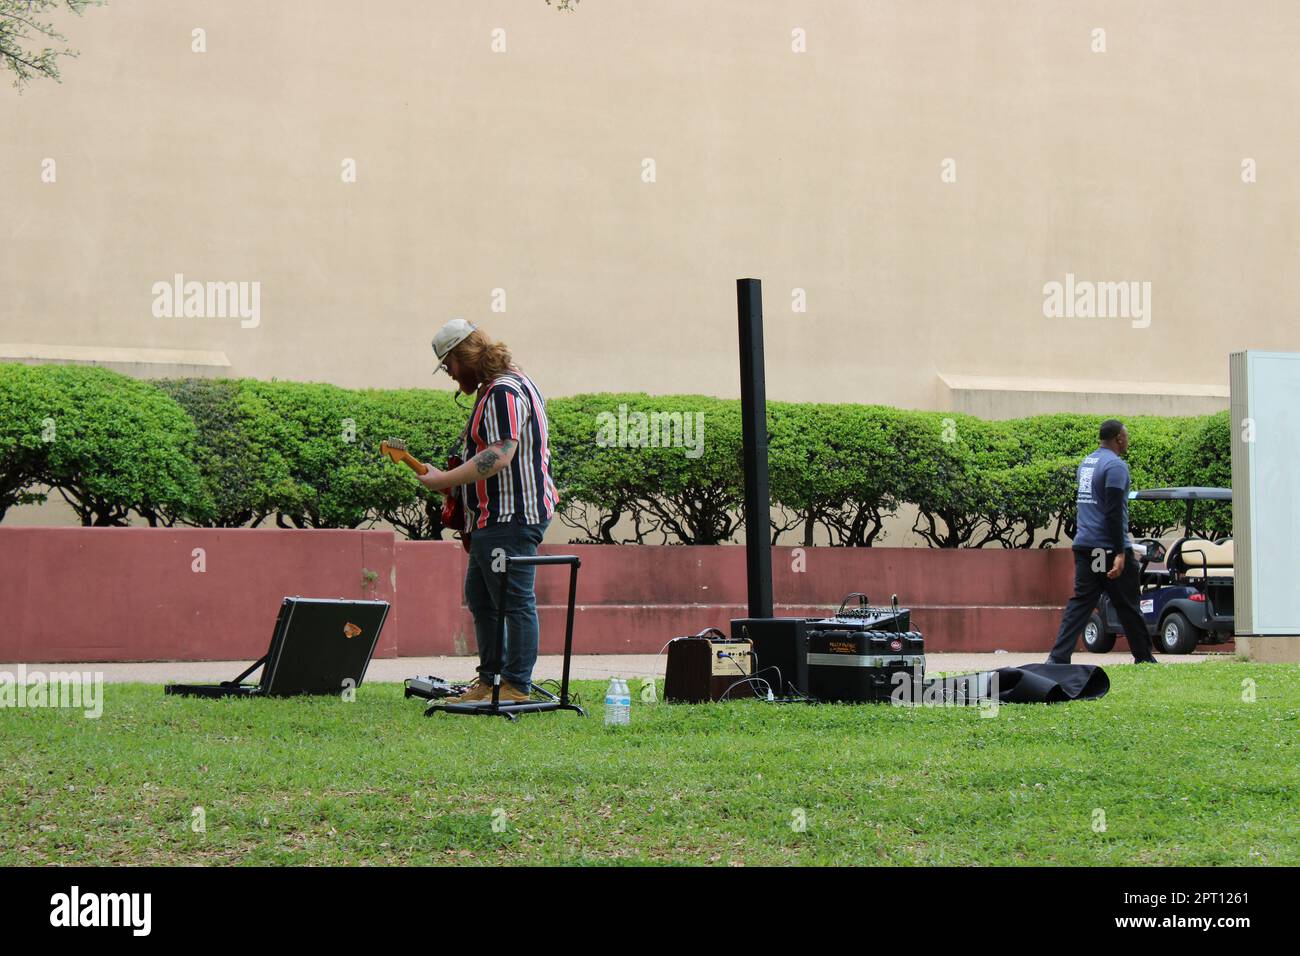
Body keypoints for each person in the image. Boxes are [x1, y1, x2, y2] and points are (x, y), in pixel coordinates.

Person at [415, 319, 560, 703]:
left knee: (513, 601)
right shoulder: (508, 384)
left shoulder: (502, 391)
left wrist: (445, 477)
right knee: (482, 598)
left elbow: (499, 453)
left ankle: (515, 685)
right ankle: (491, 680)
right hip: (493, 517)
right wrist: (450, 481)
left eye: (448, 365)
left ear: (463, 357)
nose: (449, 375)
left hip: (509, 516)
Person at [1046, 419, 1159, 665]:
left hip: (1086, 546)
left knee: (1083, 602)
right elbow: (1112, 511)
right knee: (1128, 603)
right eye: (1126, 436)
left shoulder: (1087, 463)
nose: (1128, 440)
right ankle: (1144, 658)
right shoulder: (1116, 466)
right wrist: (1119, 552)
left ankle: (1057, 658)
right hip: (1108, 548)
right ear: (1119, 438)